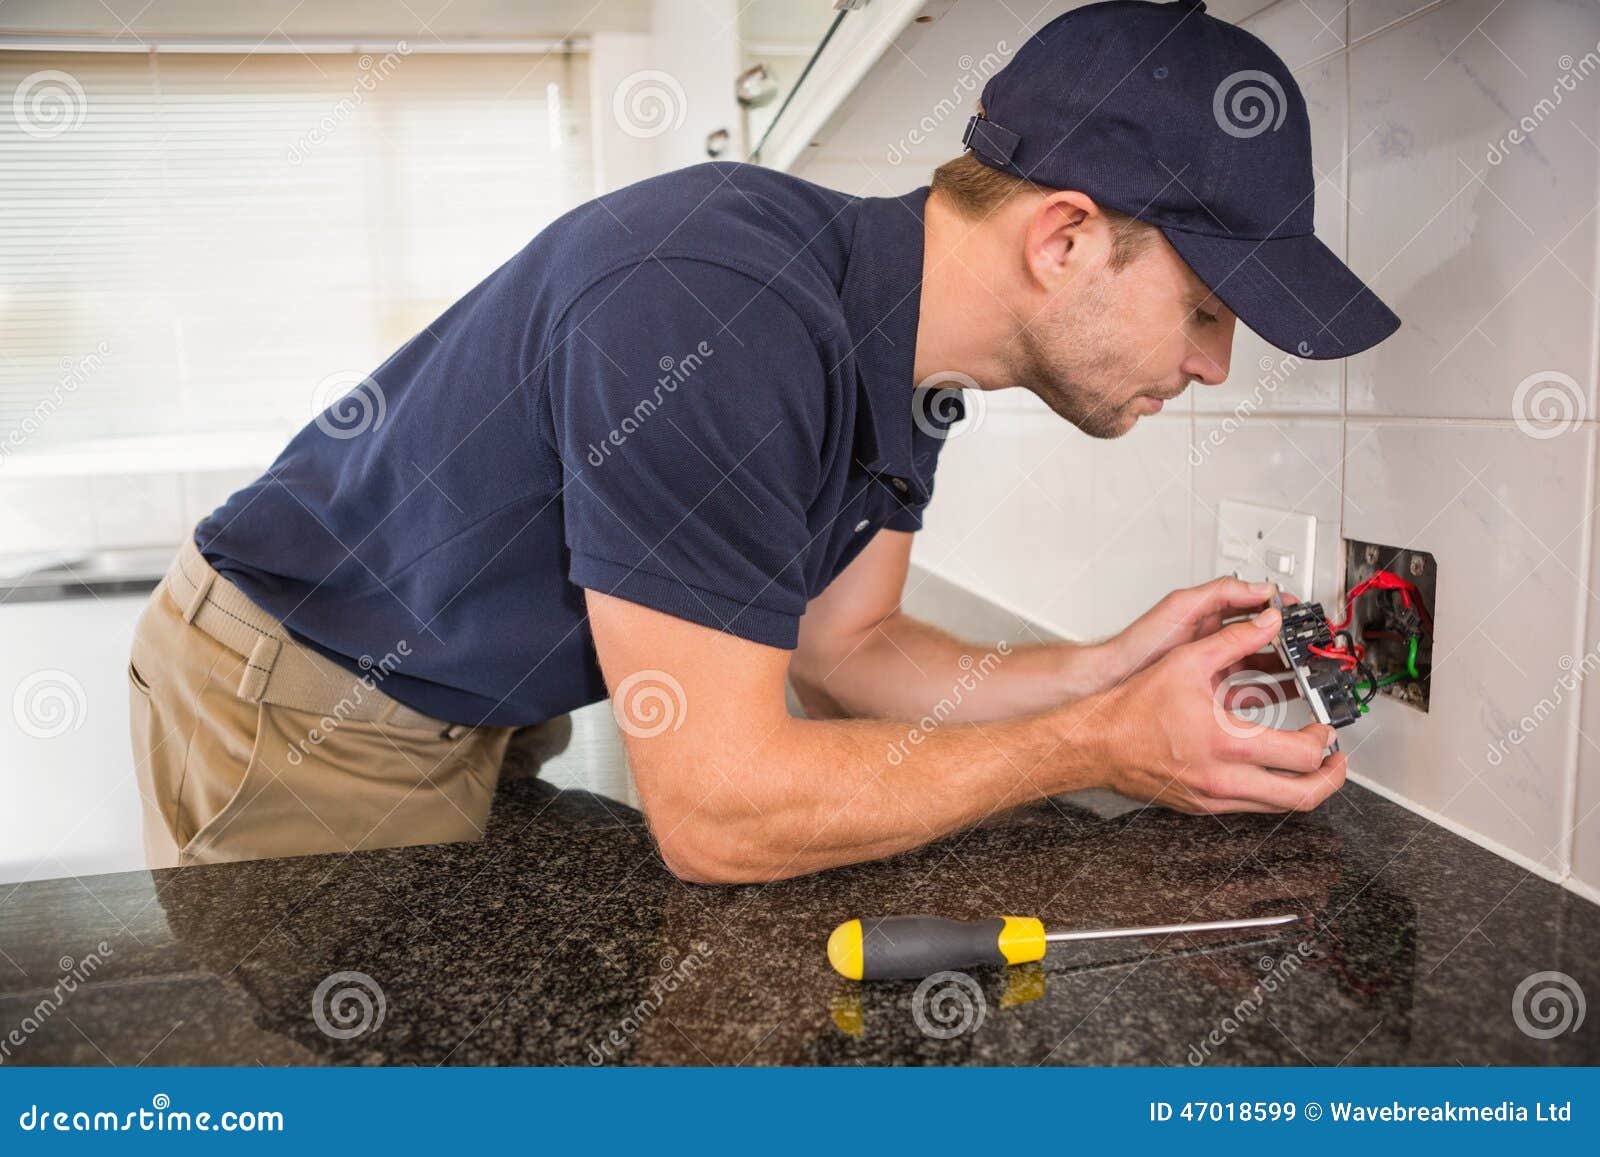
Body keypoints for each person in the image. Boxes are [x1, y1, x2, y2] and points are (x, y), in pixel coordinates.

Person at [128, 0, 1398, 878]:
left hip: (487, 689)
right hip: (309, 688)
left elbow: (853, 649)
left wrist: (1104, 670)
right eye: (1205, 308)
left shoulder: (908, 357)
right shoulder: (719, 308)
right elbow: (719, 812)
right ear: (1063, 239)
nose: (1212, 362)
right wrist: (1098, 745)